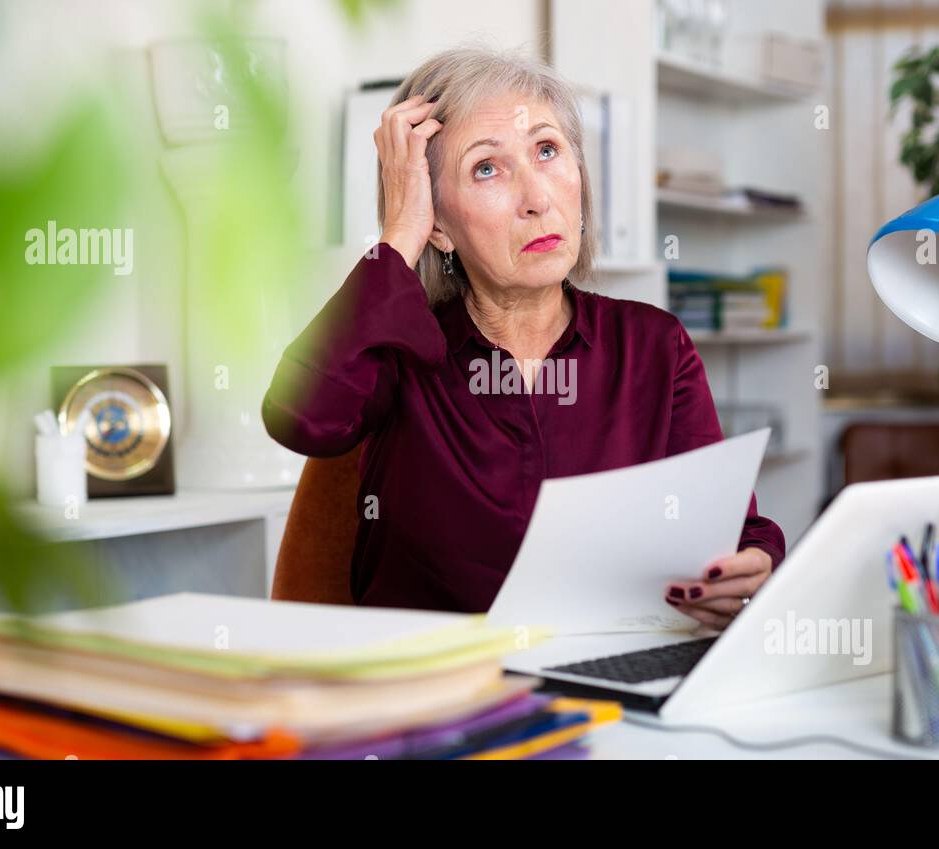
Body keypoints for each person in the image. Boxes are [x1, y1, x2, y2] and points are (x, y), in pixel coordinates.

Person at [263, 47, 784, 629]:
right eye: (487, 168)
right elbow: (301, 418)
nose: (538, 198)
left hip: (613, 677)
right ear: (439, 223)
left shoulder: (655, 344)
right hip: (440, 692)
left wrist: (751, 564)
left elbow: (726, 525)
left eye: (547, 150)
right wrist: (400, 233)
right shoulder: (399, 351)